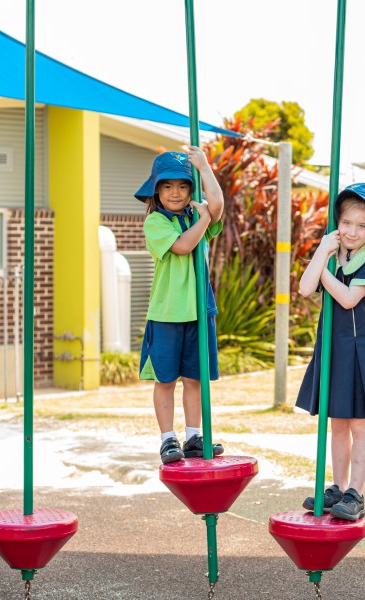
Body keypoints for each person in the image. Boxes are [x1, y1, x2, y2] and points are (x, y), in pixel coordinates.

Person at [295, 183, 365, 521]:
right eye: (347, 223)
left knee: (359, 423)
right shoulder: (330, 254)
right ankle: (337, 486)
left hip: (359, 352)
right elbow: (306, 288)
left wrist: (327, 273)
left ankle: (356, 493)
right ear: (338, 222)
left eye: (361, 226)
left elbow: (348, 298)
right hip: (332, 349)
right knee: (337, 423)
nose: (352, 231)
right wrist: (322, 253)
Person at [134, 149, 226, 464]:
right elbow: (184, 246)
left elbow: (216, 205)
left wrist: (204, 167)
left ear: (191, 190)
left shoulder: (194, 216)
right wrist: (203, 219)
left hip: (199, 311)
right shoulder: (156, 222)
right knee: (166, 380)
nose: (176, 192)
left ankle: (193, 436)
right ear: (156, 191)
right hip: (167, 314)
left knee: (195, 378)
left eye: (184, 186)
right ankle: (167, 438)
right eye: (168, 186)